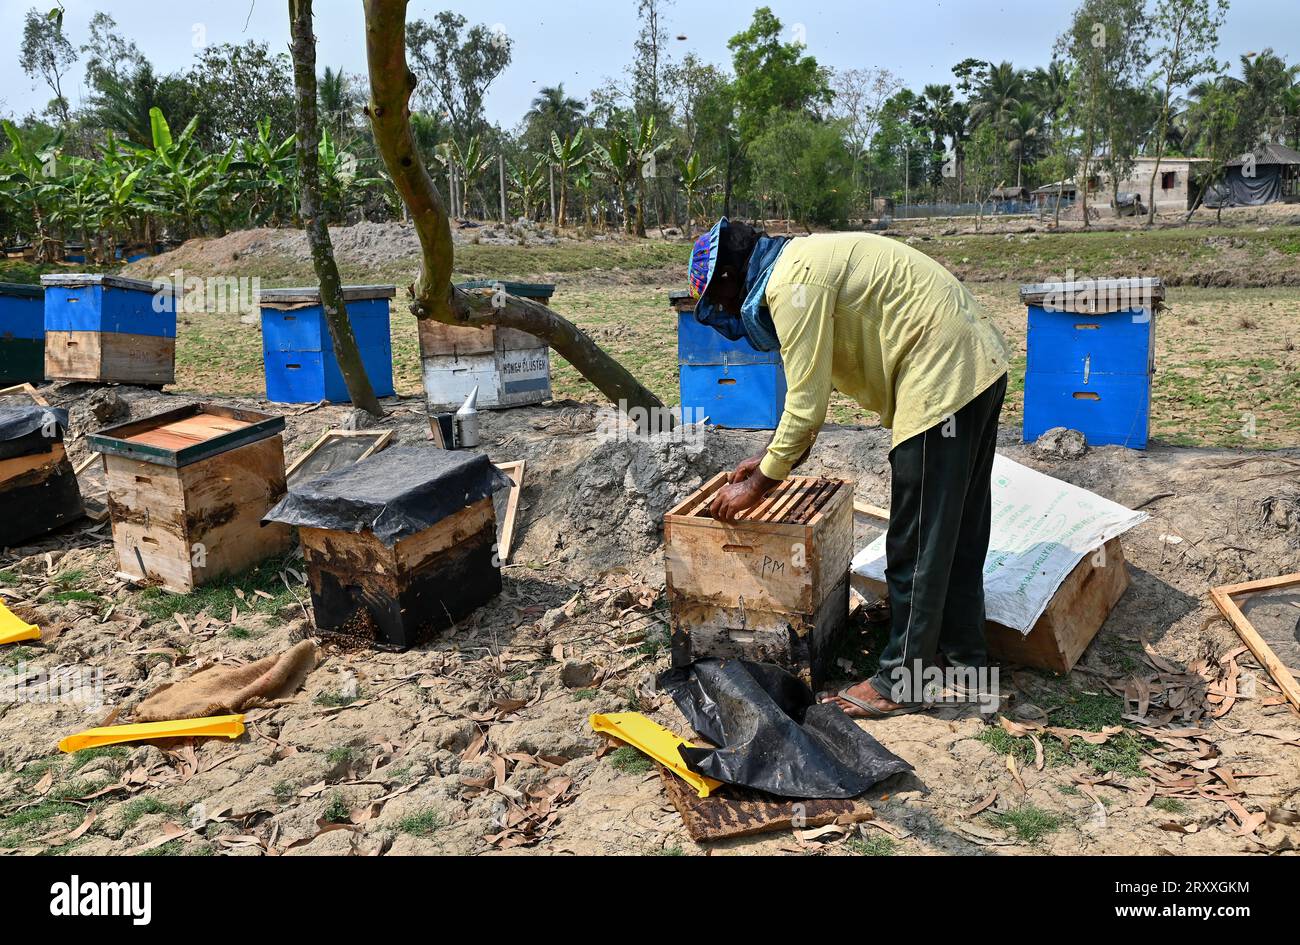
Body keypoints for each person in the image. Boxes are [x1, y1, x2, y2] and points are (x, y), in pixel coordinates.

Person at [688, 218, 1010, 718]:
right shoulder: (803, 265)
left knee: (917, 542)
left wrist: (758, 484)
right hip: (976, 365)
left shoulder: (792, 284)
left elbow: (806, 407)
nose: (727, 313)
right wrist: (772, 457)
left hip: (941, 378)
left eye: (722, 302)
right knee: (958, 533)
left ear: (730, 279)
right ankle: (963, 658)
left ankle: (901, 682)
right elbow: (807, 403)